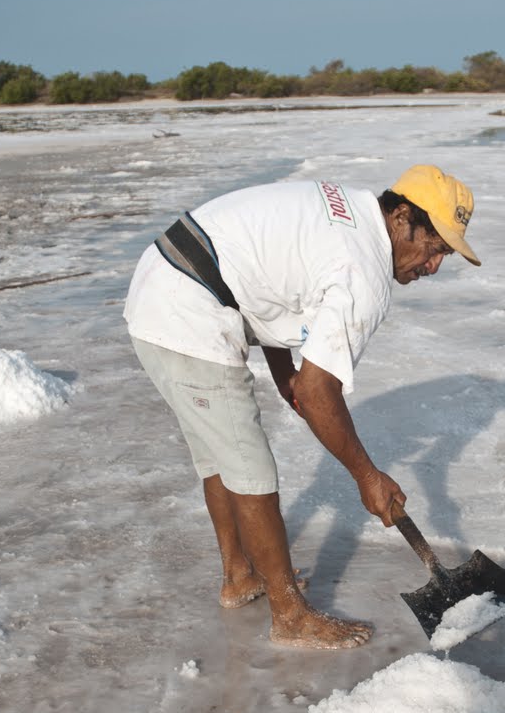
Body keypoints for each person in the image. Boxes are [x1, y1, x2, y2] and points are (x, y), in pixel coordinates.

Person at [124, 164, 480, 649]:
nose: (433, 266)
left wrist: (281, 369)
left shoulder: (352, 210)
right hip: (187, 308)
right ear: (401, 217)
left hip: (169, 280)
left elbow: (268, 281)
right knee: (250, 470)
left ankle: (239, 576)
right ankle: (289, 615)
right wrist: (367, 477)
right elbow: (317, 394)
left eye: (444, 256)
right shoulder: (363, 272)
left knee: (220, 453)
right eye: (434, 248)